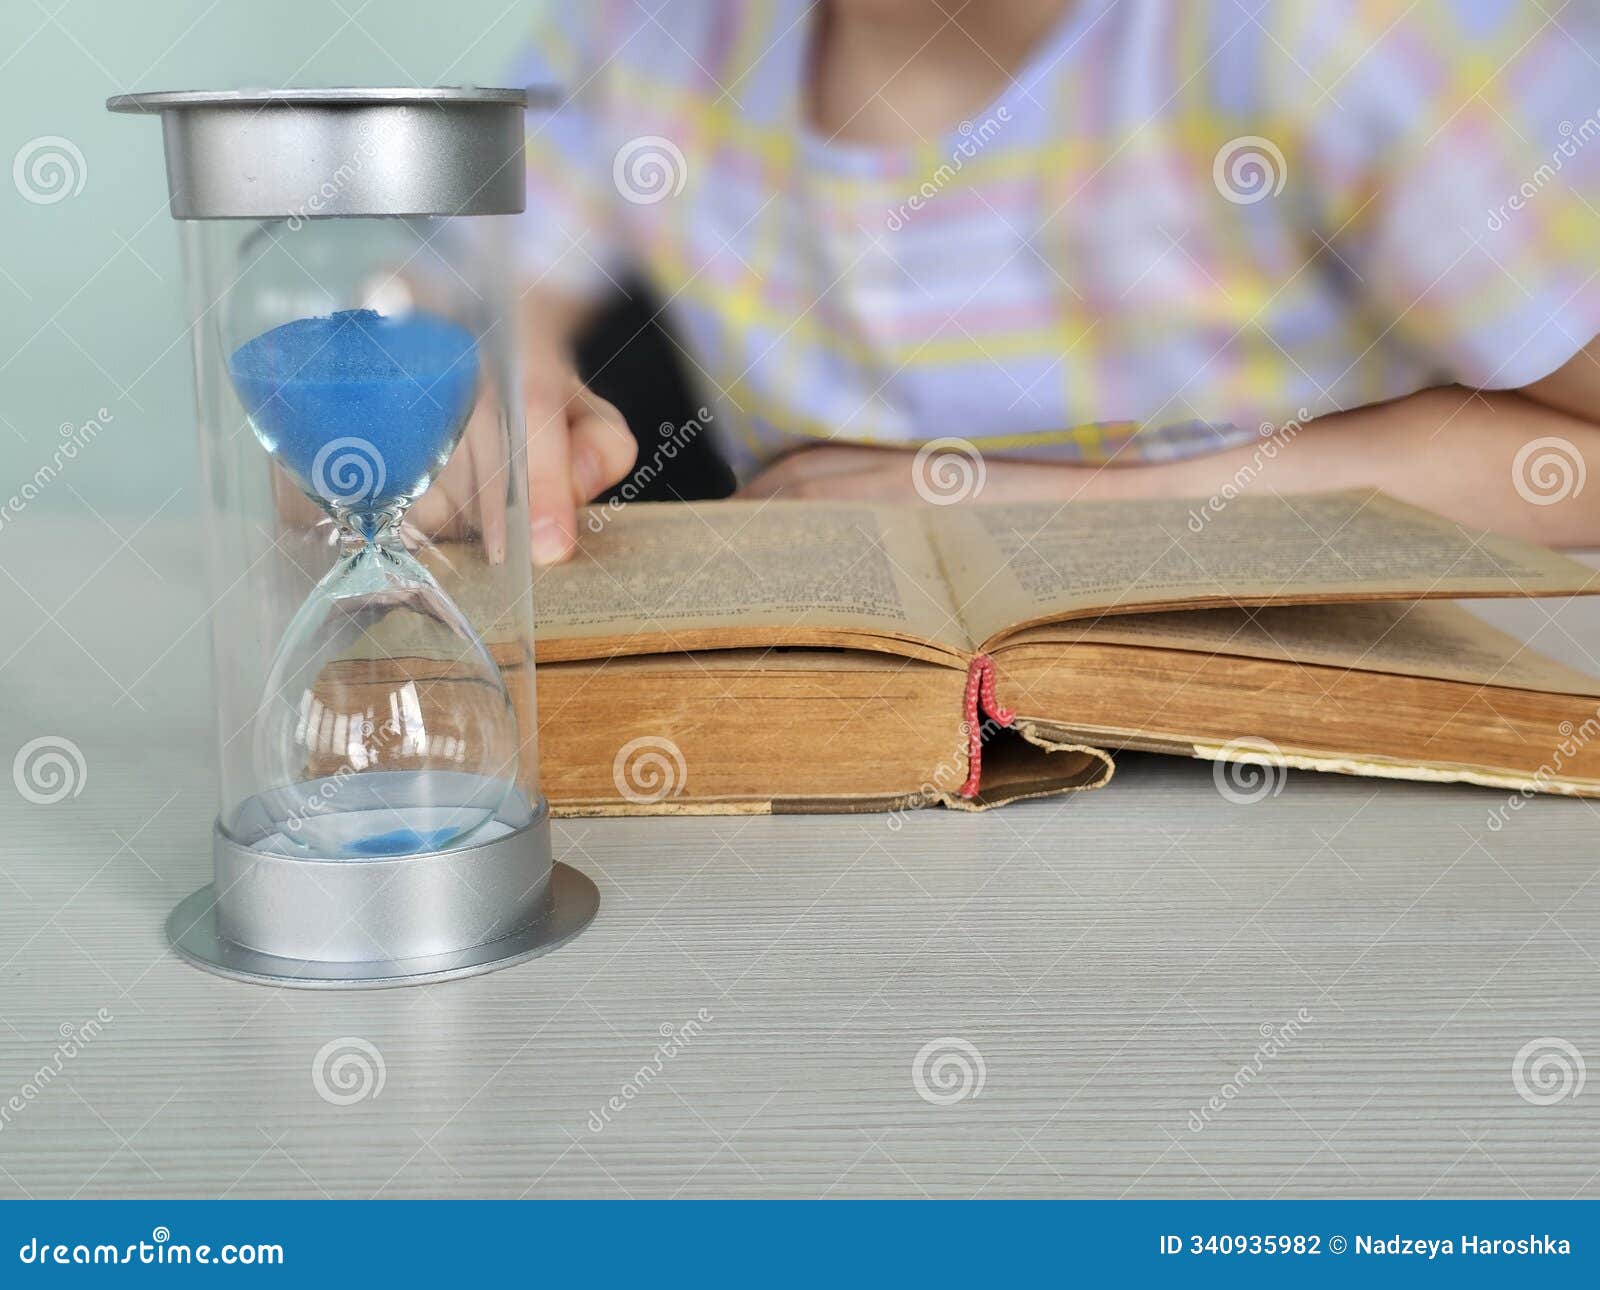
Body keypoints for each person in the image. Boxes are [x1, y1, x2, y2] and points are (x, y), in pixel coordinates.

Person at [417, 0, 1600, 558]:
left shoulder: (1358, 40)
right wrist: (488, 374)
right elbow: (423, 316)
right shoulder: (648, 41)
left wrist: (1020, 517)